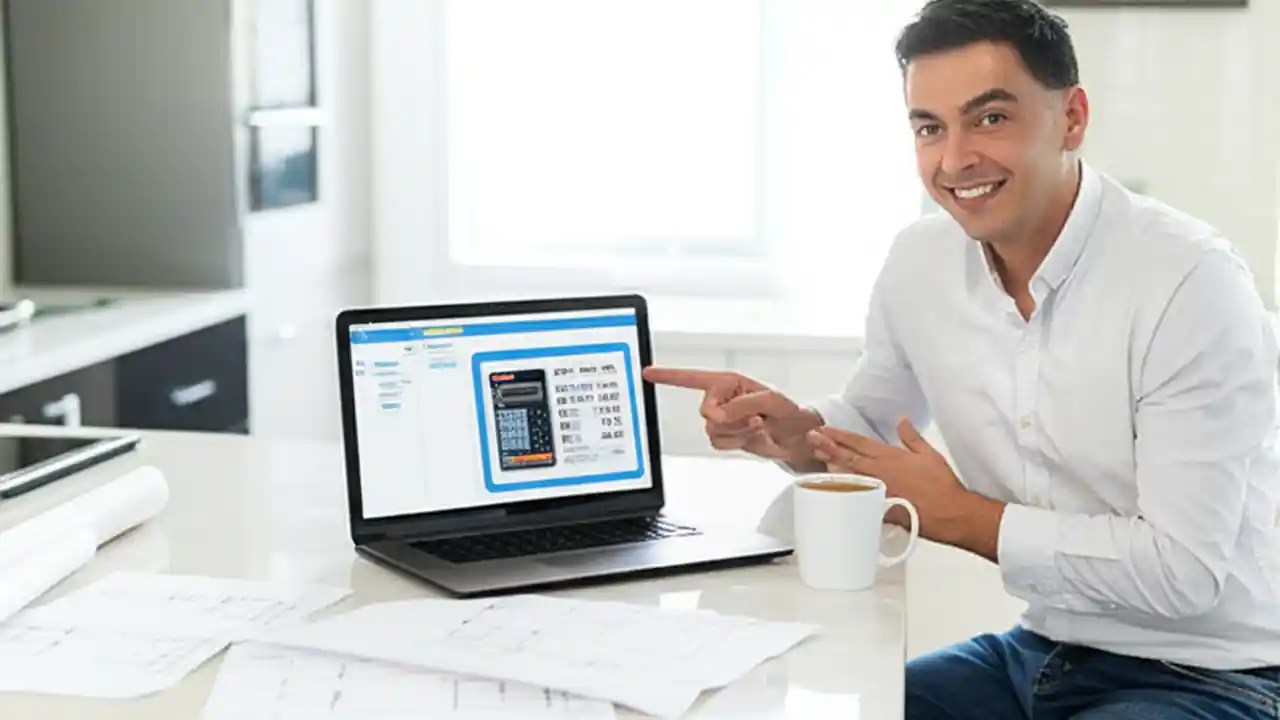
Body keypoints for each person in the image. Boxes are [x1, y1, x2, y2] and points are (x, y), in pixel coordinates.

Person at [644, 0, 1280, 717]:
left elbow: (1183, 572)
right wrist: (795, 433)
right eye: (929, 127)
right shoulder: (921, 261)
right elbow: (871, 423)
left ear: (1071, 117)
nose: (954, 160)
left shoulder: (1189, 282)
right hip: (1039, 651)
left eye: (990, 118)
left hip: (1219, 673)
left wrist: (962, 517)